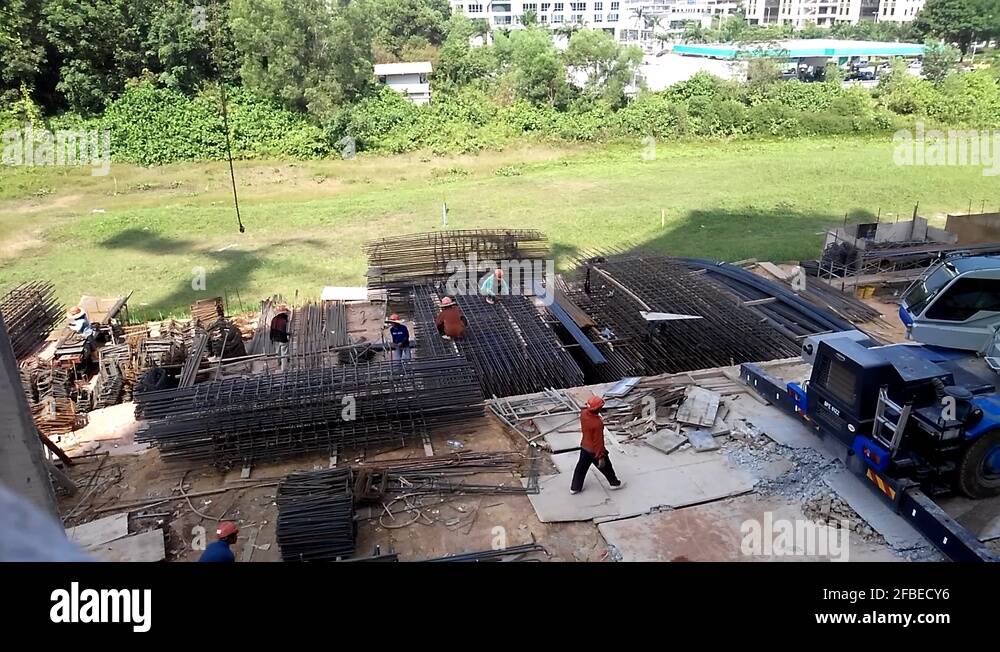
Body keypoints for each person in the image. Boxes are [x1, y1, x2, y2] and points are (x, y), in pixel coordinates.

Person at [571, 396, 624, 494]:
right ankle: (614, 483)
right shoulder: (597, 423)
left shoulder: (583, 414)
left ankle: (575, 488)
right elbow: (598, 442)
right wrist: (600, 457)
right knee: (606, 467)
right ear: (598, 409)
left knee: (580, 468)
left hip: (584, 446)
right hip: (594, 451)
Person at [270, 304, 291, 372]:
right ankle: (284, 368)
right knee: (284, 353)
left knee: (277, 352)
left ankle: (278, 363)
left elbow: (272, 330)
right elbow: (283, 331)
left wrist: (272, 338)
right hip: (282, 338)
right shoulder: (283, 320)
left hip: (274, 338)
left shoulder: (274, 319)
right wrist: (286, 338)